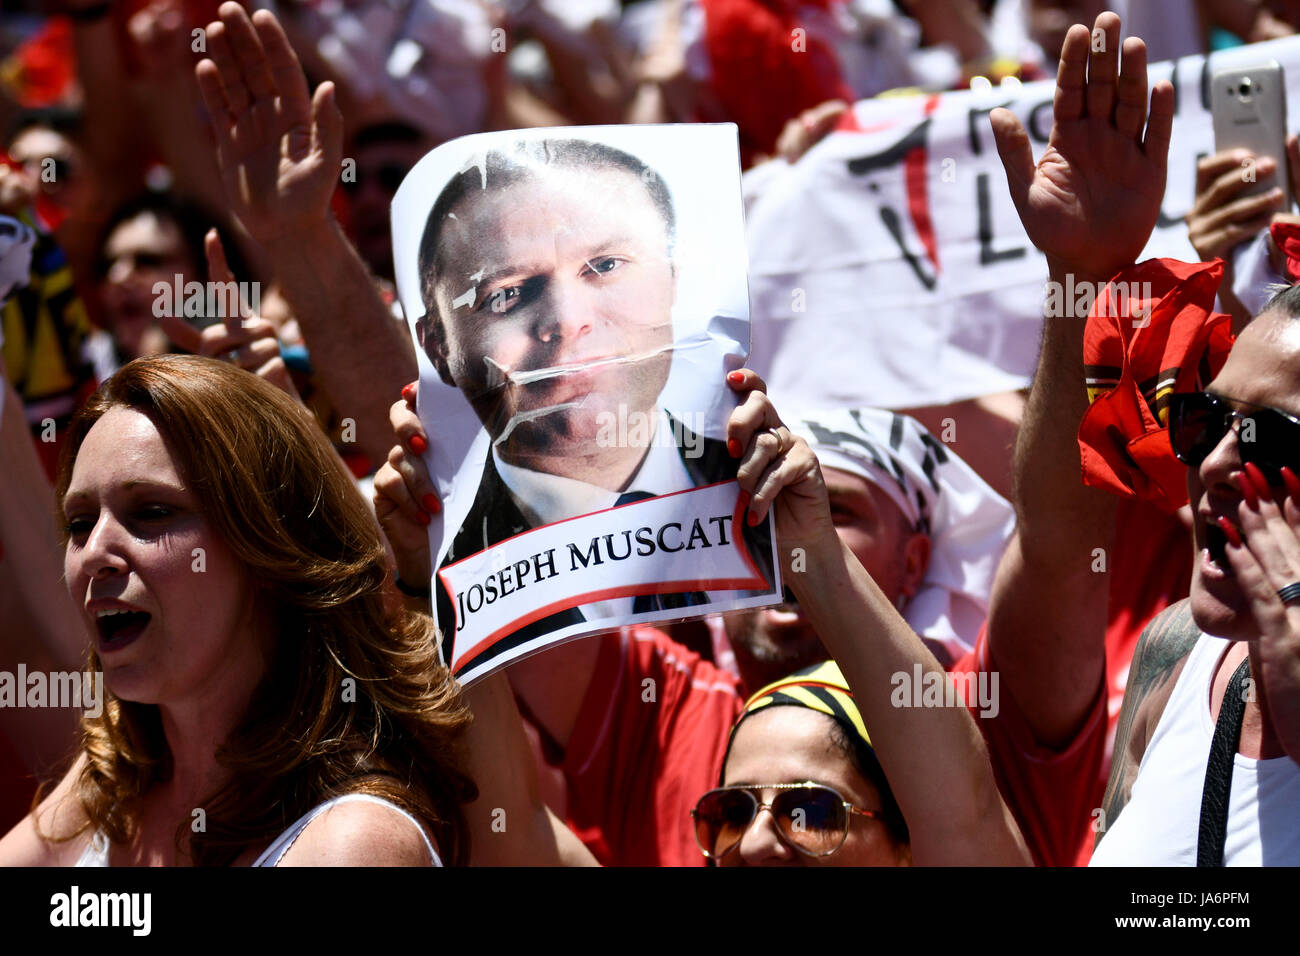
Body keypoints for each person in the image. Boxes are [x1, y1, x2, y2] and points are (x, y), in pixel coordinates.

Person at [0, 354, 589, 866]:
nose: (95, 553)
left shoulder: (355, 843)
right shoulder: (109, 784)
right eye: (79, 524)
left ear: (269, 550)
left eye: (152, 513)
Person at [412, 135, 774, 656]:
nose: (568, 320)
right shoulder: (432, 570)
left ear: (673, 283)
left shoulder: (775, 500)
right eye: (507, 293)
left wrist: (818, 549)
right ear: (438, 346)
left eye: (605, 266)